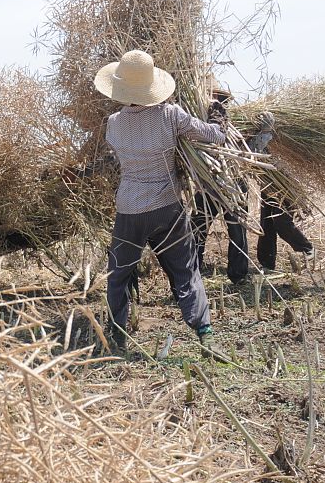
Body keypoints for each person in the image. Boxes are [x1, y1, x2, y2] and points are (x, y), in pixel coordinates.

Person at [95, 50, 227, 358]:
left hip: (128, 209)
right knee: (185, 269)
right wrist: (217, 116)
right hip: (166, 208)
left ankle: (118, 335)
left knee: (119, 273)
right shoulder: (170, 114)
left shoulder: (113, 124)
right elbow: (213, 136)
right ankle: (204, 333)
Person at [190, 83, 251, 286]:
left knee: (236, 228)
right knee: (198, 226)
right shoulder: (198, 117)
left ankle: (238, 274)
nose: (215, 100)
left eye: (219, 98)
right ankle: (193, 271)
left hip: (233, 180)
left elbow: (246, 153)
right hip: (208, 183)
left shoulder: (237, 124)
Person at [247, 111, 314, 270]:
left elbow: (256, 152)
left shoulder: (276, 137)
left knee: (281, 222)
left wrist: (265, 132)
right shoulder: (257, 134)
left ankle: (307, 249)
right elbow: (251, 153)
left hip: (284, 184)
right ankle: (267, 264)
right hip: (268, 184)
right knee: (267, 225)